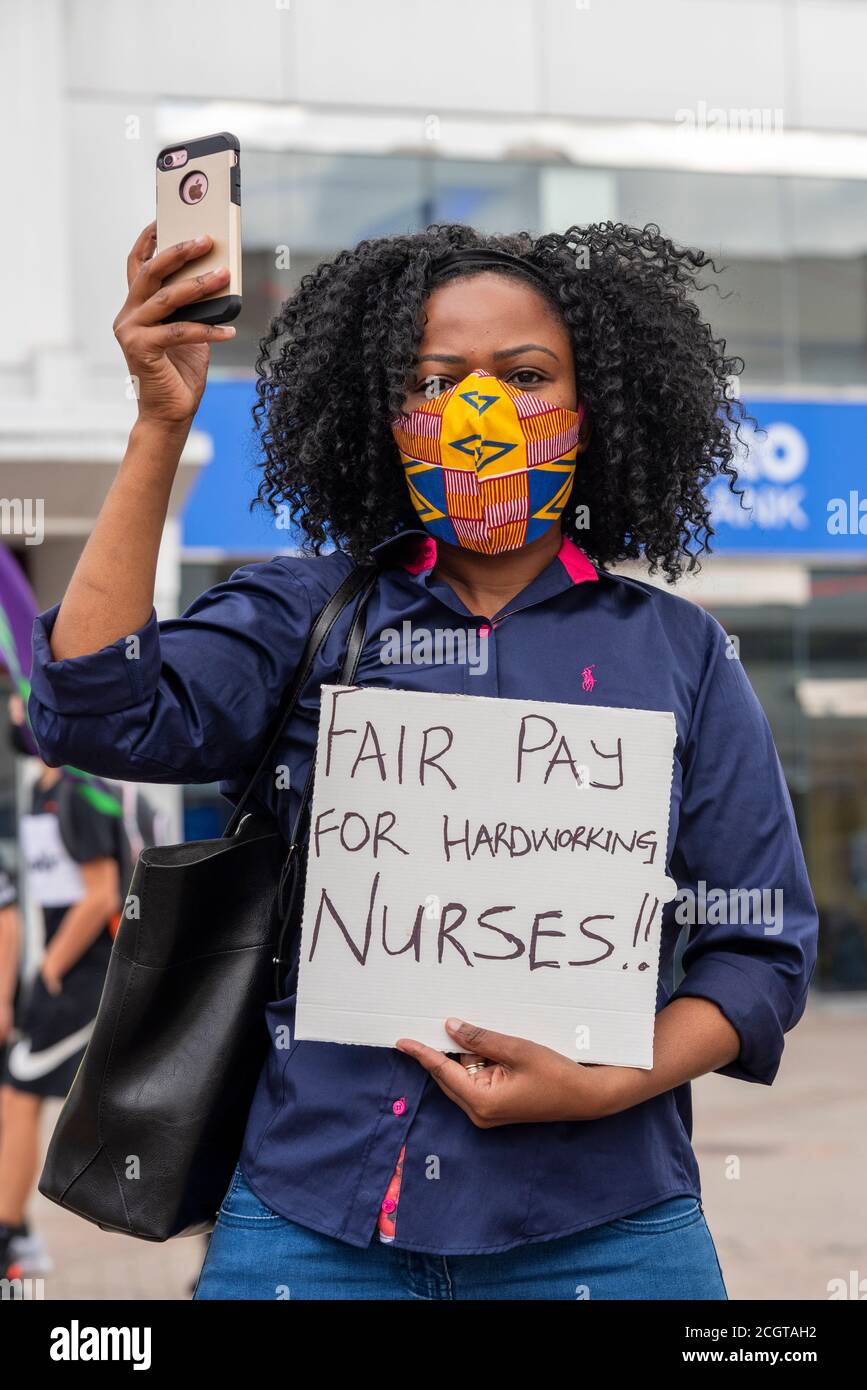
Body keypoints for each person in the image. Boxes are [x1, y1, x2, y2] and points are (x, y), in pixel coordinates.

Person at [26, 221, 818, 1300]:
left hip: (606, 1227)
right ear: (389, 417)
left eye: (525, 376)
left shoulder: (678, 652)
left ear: (590, 413)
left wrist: (600, 1085)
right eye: (436, 381)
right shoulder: (306, 615)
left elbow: (760, 951)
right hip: (313, 1223)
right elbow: (93, 714)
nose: (479, 412)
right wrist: (161, 423)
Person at [0, 698, 129, 1280]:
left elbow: (100, 893)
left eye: (19, 702)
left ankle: (11, 1238)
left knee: (20, 1097)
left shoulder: (79, 789)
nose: (10, 712)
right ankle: (15, 1234)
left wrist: (51, 968)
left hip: (80, 976)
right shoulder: (40, 790)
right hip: (59, 976)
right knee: (15, 1099)